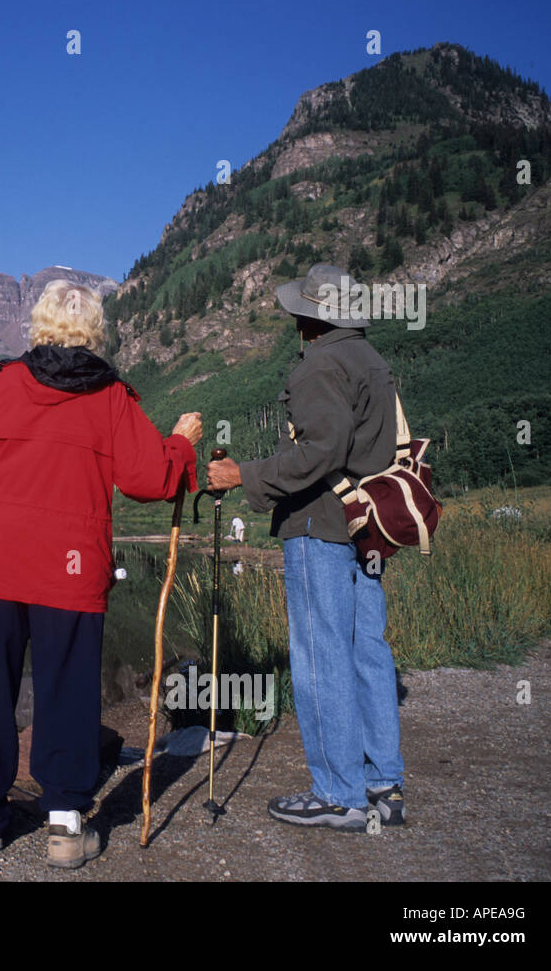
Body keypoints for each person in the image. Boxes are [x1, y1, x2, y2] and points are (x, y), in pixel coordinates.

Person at [0, 280, 201, 867]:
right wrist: (181, 446)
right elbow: (150, 480)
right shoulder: (110, 396)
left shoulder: (3, 385)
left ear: (37, 327)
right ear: (96, 333)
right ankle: (64, 826)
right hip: (70, 572)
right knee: (68, 691)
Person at [205, 263, 406, 831]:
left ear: (310, 317)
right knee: (367, 646)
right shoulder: (373, 362)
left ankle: (339, 795)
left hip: (321, 524)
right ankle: (382, 784)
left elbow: (320, 453)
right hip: (368, 527)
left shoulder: (320, 366)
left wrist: (244, 474)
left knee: (321, 655)